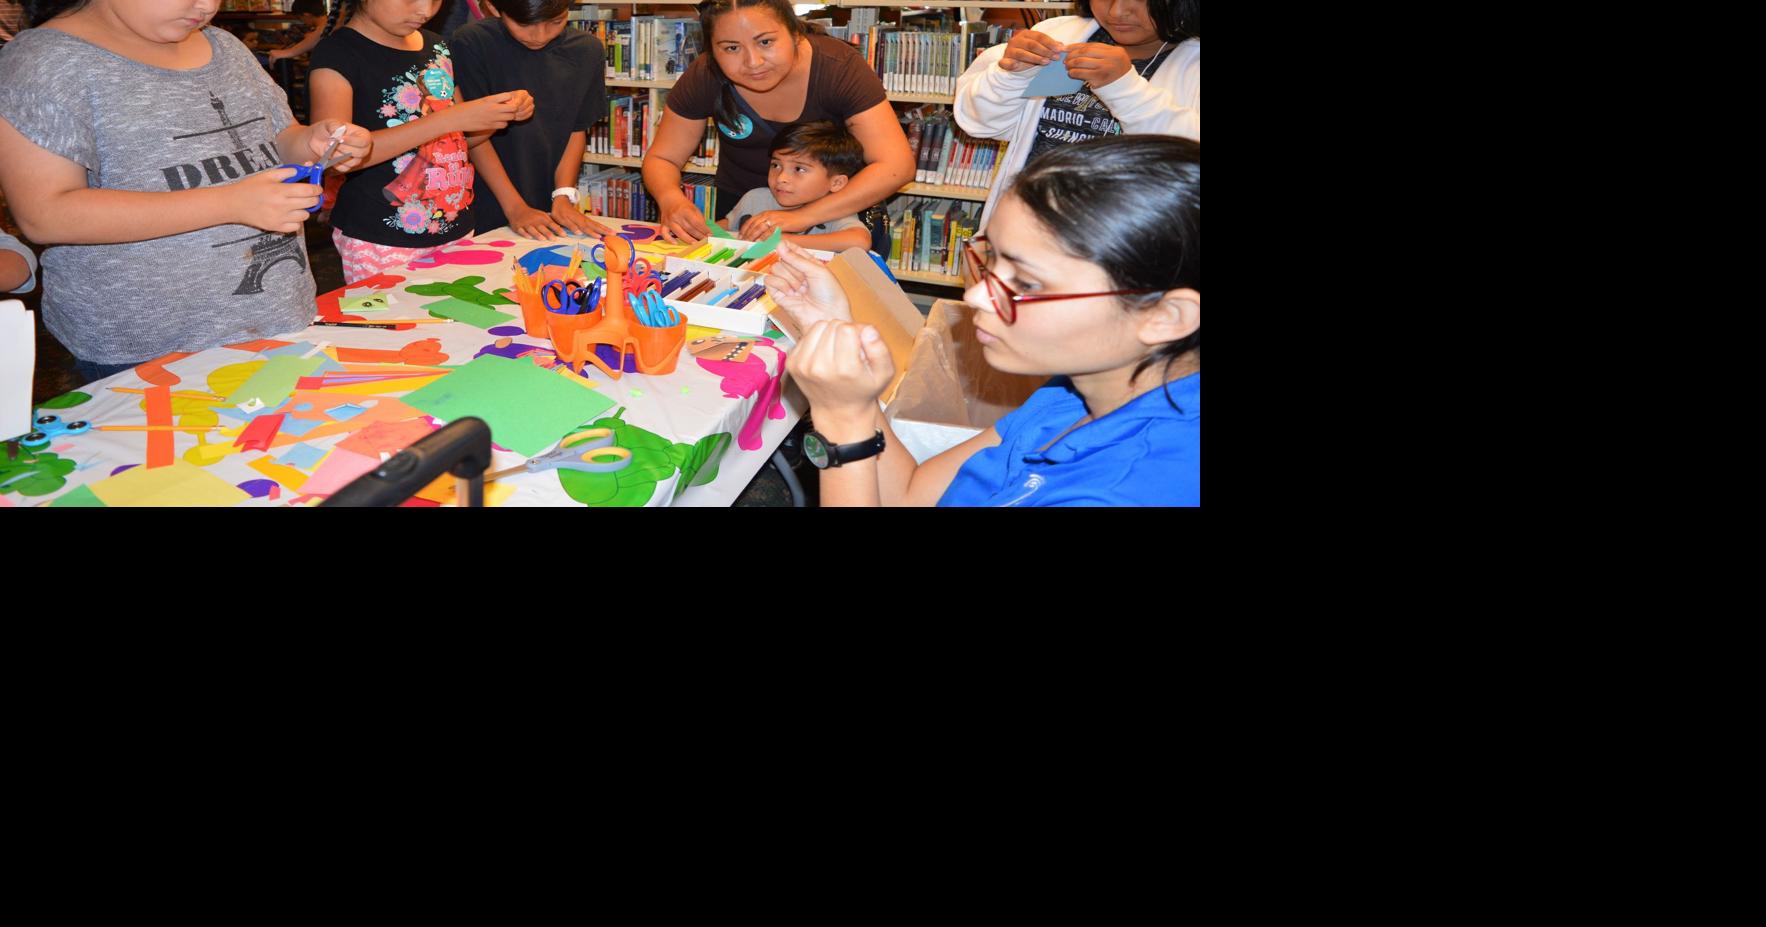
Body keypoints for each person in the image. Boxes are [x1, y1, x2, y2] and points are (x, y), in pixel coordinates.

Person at [771, 135, 1199, 506]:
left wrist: (842, 423)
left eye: (1027, 282)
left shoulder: (1129, 490)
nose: (976, 296)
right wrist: (833, 333)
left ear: (1167, 317)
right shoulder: (1083, 391)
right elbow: (910, 495)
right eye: (991, 259)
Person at [0, 0, 372, 381]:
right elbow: (46, 215)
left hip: (279, 314)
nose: (207, 6)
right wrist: (229, 203)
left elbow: (277, 138)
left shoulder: (223, 46)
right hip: (147, 346)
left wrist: (313, 141)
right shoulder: (42, 61)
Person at [640, 0, 912, 245]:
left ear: (795, 33)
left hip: (833, 217)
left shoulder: (838, 68)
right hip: (744, 213)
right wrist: (671, 199)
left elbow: (896, 166)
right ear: (712, 50)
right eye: (731, 48)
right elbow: (662, 158)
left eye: (766, 42)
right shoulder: (705, 74)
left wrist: (801, 217)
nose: (753, 62)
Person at [309, 0, 533, 281]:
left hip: (456, 228)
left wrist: (499, 114)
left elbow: (460, 141)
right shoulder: (338, 53)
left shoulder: (437, 46)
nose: (425, 11)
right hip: (381, 239)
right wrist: (449, 120)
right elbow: (334, 158)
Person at [954, 0, 1198, 229]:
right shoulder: (1059, 33)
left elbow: (1188, 166)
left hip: (1122, 240)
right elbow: (979, 123)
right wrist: (1012, 75)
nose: (1117, 12)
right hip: (1022, 226)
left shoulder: (1192, 64)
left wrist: (1125, 90)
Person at [451, 0, 605, 239]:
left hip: (546, 198)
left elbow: (576, 129)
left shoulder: (587, 50)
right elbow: (473, 135)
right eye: (524, 24)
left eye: (556, 21)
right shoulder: (472, 42)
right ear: (493, 8)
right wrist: (515, 207)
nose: (540, 35)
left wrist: (563, 196)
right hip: (484, 199)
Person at [727, 120, 870, 252]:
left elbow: (860, 241)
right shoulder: (755, 198)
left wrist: (784, 241)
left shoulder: (835, 210)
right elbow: (726, 227)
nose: (781, 178)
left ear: (836, 183)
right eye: (776, 165)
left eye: (799, 169)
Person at [266, 0, 328, 64]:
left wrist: (286, 52)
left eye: (299, 18)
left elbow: (319, 35)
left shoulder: (323, 30)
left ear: (306, 15)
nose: (301, 21)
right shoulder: (323, 27)